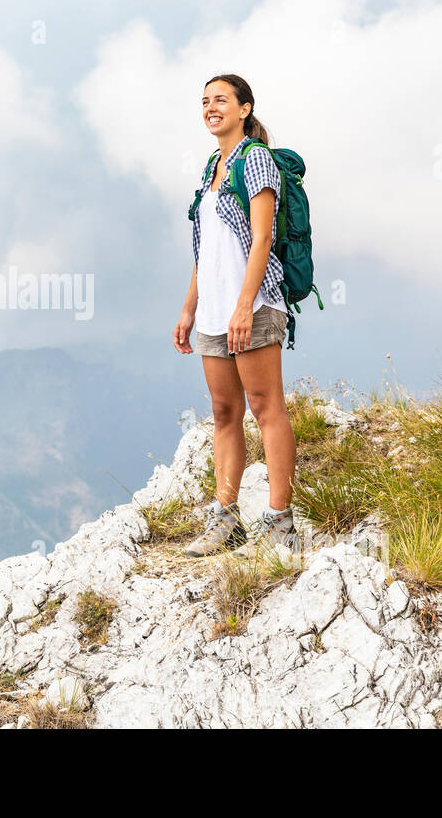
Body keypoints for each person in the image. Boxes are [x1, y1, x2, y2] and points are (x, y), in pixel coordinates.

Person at [172, 73, 299, 559]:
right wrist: (189, 308)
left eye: (220, 100)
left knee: (268, 409)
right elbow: (207, 252)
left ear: (245, 108)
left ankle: (279, 521)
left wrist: (245, 305)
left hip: (254, 303)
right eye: (205, 101)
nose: (211, 107)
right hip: (213, 311)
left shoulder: (256, 159)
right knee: (225, 413)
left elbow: (262, 239)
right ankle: (225, 520)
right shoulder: (212, 167)